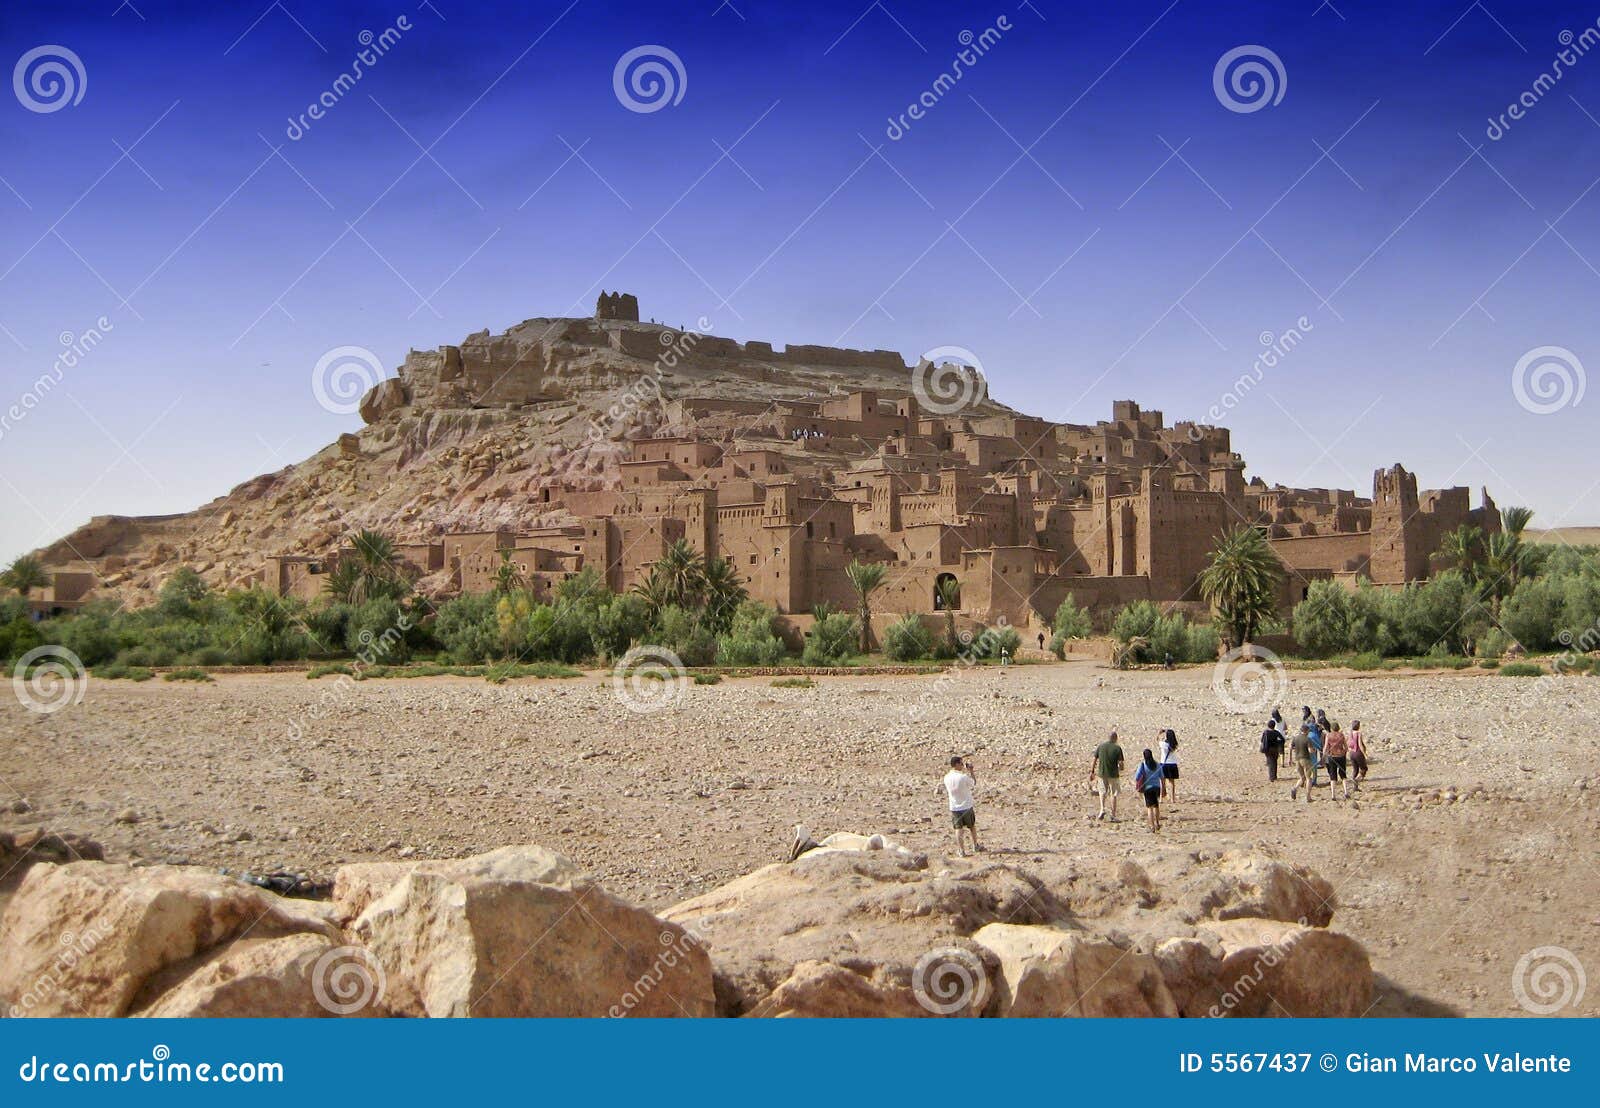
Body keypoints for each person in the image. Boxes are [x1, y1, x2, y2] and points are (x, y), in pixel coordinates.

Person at [942, 756, 982, 856]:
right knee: (971, 826)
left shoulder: (946, 777)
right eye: (961, 763)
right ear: (956, 764)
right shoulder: (962, 777)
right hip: (966, 805)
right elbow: (973, 783)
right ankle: (975, 845)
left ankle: (961, 850)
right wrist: (971, 771)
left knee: (958, 829)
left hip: (954, 806)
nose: (962, 765)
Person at [1090, 731, 1124, 821]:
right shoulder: (1117, 748)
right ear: (1115, 738)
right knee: (1113, 794)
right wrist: (1121, 768)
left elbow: (1094, 759)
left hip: (1102, 773)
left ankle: (1102, 809)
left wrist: (1092, 771)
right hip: (1113, 775)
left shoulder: (1101, 746)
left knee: (1102, 792)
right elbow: (1121, 763)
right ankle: (1113, 814)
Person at [1134, 749, 1164, 832]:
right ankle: (1157, 823)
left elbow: (1137, 777)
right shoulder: (1157, 765)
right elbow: (1162, 777)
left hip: (1147, 788)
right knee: (1156, 806)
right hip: (1157, 787)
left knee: (1149, 808)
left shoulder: (1143, 765)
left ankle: (1152, 826)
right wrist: (1163, 788)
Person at [1323, 720, 1351, 800]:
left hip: (1332, 757)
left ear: (1331, 728)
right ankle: (1346, 792)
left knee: (1333, 776)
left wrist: (1324, 755)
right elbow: (1346, 747)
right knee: (1343, 775)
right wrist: (1344, 752)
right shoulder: (1341, 735)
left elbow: (1325, 747)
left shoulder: (1328, 735)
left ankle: (1333, 795)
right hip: (1341, 756)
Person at [1289, 724, 1315, 802]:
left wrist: (1290, 759)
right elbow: (1310, 750)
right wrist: (1314, 750)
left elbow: (1290, 747)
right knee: (1308, 778)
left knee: (1302, 777)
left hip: (1297, 759)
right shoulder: (1308, 739)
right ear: (1307, 731)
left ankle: (1295, 788)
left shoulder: (1295, 738)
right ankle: (1308, 796)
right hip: (1306, 759)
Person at [1158, 728, 1180, 803]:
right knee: (1171, 782)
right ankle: (1172, 798)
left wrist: (1159, 733)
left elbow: (1157, 740)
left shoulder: (1163, 744)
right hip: (1172, 763)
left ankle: (1161, 798)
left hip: (1164, 763)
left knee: (1162, 782)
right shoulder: (1174, 745)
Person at [1348, 719, 1368, 786]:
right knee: (1364, 768)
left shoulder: (1350, 733)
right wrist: (1365, 754)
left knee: (1355, 769)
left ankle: (1355, 785)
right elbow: (1360, 744)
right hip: (1358, 752)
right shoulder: (1358, 733)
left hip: (1351, 753)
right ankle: (1356, 779)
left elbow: (1348, 743)